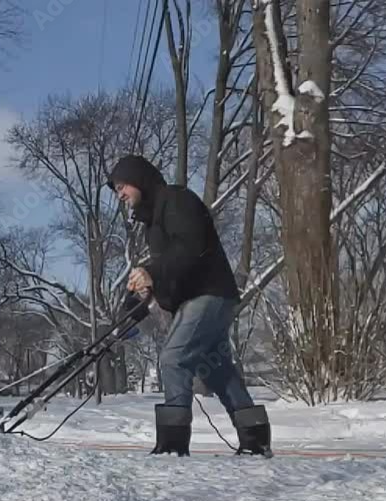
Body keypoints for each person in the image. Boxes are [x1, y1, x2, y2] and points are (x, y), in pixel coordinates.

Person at [107, 154, 271, 457]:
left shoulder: (177, 200)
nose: (120, 195)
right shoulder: (152, 225)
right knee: (218, 370)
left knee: (174, 358)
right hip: (197, 299)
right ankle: (255, 439)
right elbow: (172, 269)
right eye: (116, 190)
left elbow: (191, 246)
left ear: (139, 178)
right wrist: (140, 297)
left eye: (122, 186)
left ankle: (172, 446)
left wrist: (152, 273)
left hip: (208, 293)